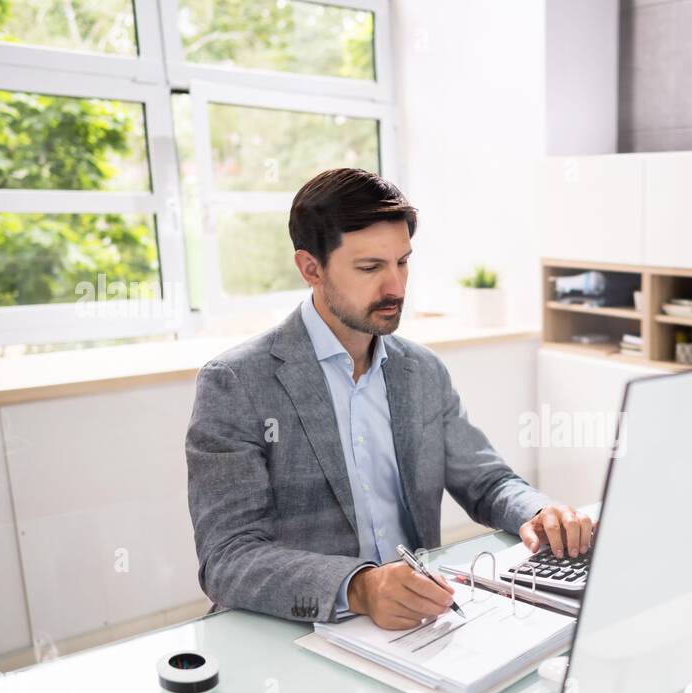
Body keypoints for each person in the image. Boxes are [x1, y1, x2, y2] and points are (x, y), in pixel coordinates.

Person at [186, 168, 594, 629]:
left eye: (402, 262)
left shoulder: (420, 371)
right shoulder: (236, 383)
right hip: (297, 631)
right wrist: (358, 587)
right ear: (310, 268)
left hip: (415, 625)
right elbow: (228, 558)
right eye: (370, 268)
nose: (396, 288)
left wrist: (539, 512)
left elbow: (487, 482)